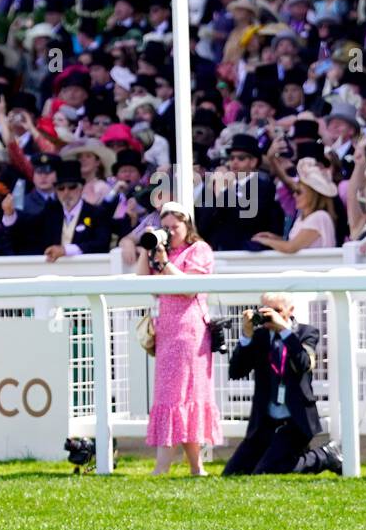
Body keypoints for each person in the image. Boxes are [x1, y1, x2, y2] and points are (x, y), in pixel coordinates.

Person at [142, 200, 222, 475]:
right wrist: (148, 248)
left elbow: (189, 288)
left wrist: (164, 262)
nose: (169, 233)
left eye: (173, 227)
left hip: (190, 331)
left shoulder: (199, 250)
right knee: (176, 394)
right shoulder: (163, 253)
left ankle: (163, 466)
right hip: (167, 329)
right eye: (164, 228)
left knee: (183, 394)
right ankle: (196, 468)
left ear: (187, 225)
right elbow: (143, 282)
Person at [224, 293, 342, 475]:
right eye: (265, 311)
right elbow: (236, 372)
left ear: (291, 310)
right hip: (266, 422)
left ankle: (325, 456)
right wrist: (246, 336)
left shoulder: (306, 333)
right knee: (233, 473)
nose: (270, 316)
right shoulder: (260, 336)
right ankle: (292, 455)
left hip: (296, 421)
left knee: (267, 471)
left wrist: (284, 330)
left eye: (277, 311)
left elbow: (304, 364)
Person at [252, 159, 340, 253]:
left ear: (313, 194)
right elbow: (296, 244)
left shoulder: (320, 216)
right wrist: (275, 239)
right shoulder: (302, 218)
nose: (294, 195)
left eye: (299, 192)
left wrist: (266, 241)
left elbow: (291, 248)